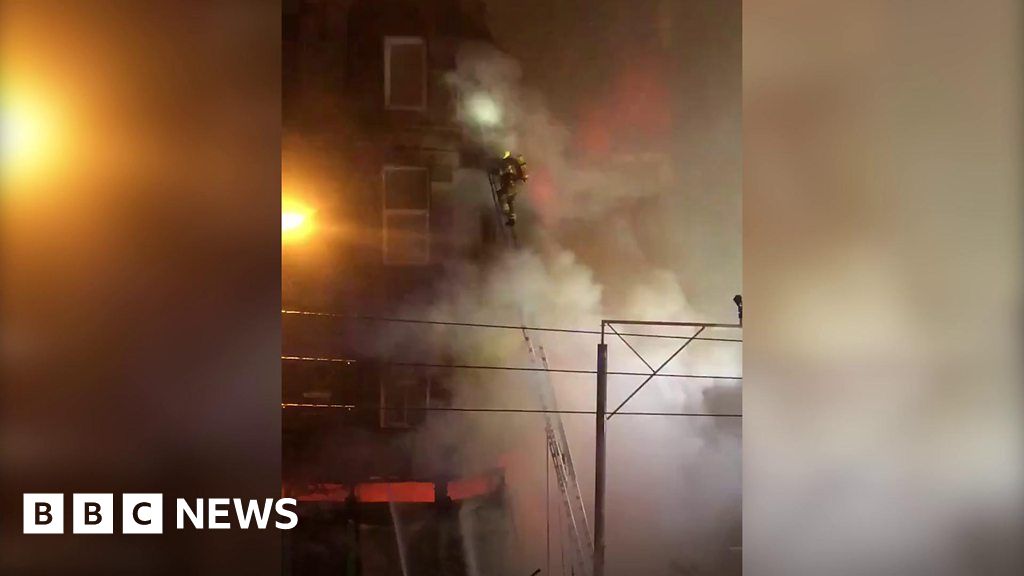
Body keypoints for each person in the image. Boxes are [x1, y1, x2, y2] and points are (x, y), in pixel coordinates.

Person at [491, 151, 528, 226]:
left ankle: (506, 210)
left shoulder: (507, 163)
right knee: (510, 201)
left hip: (509, 185)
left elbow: (504, 172)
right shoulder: (514, 162)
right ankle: (512, 218)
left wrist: (495, 172)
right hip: (513, 186)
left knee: (502, 196)